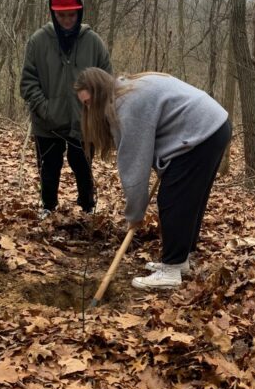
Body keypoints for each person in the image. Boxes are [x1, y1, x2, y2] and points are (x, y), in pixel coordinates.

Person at [75, 68, 231, 290]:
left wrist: (135, 214)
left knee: (173, 199)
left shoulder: (126, 106)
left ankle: (172, 270)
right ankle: (180, 260)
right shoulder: (124, 90)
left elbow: (135, 166)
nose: (88, 109)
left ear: (100, 92)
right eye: (84, 104)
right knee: (187, 198)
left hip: (202, 131)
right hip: (213, 125)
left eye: (89, 102)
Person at [20, 0, 112, 219]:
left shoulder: (93, 42)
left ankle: (88, 206)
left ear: (79, 13)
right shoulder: (38, 41)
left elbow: (106, 81)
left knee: (82, 165)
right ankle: (48, 207)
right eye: (62, 15)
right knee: (48, 168)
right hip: (47, 122)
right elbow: (28, 82)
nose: (67, 20)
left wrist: (95, 110)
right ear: (53, 14)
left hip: (84, 121)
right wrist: (45, 108)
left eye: (72, 15)